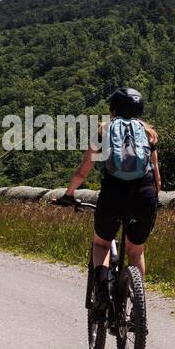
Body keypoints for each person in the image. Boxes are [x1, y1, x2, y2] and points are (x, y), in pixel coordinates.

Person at [59, 88, 161, 310]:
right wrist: (152, 200)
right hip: (143, 195)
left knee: (102, 243)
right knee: (136, 251)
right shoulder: (148, 133)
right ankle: (138, 309)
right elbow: (157, 180)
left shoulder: (104, 131)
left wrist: (69, 194)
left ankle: (103, 293)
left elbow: (83, 171)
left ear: (113, 109)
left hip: (113, 194)